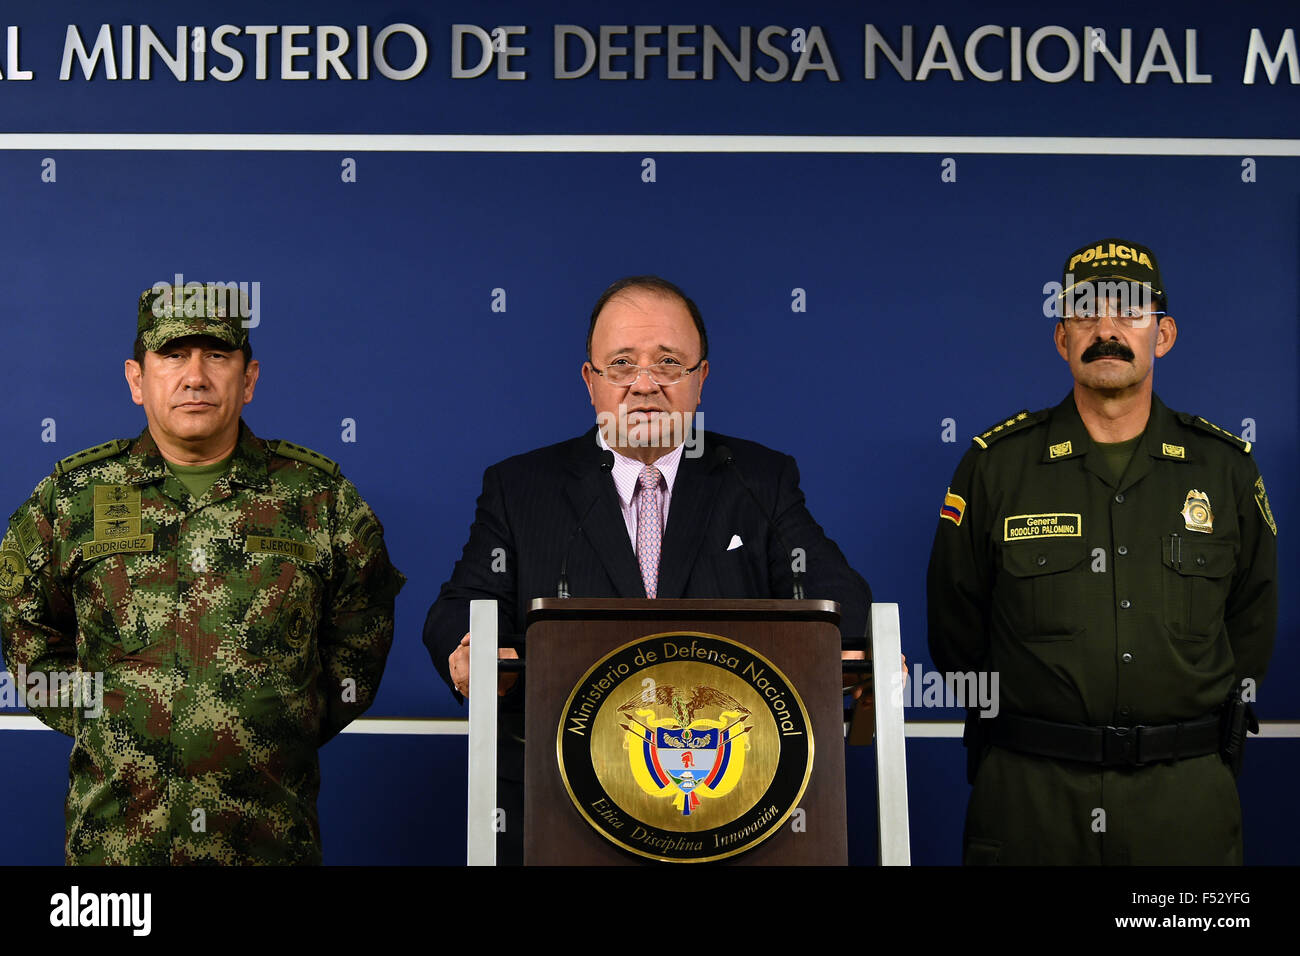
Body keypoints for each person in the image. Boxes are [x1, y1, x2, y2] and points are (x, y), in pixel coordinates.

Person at [423, 275, 873, 863]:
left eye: (669, 363)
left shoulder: (758, 479)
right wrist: (468, 646)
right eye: (621, 364)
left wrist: (867, 649)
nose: (644, 385)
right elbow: (462, 604)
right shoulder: (521, 487)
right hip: (562, 802)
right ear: (590, 381)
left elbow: (842, 602)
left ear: (700, 378)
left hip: (734, 809)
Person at [0, 282, 405, 864]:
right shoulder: (72, 501)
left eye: (217, 355)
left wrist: (273, 717)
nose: (195, 376)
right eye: (172, 355)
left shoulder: (322, 502)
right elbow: (26, 634)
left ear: (250, 378)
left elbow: (358, 646)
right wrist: (113, 718)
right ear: (137, 380)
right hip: (118, 851)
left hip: (268, 846)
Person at [927, 238, 1277, 865]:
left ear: (1162, 335)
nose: (1106, 330)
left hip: (1184, 799)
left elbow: (1252, 618)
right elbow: (956, 626)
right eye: (1086, 314)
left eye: (1129, 313)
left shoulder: (1224, 470)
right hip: (1031, 795)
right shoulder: (996, 467)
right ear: (1062, 338)